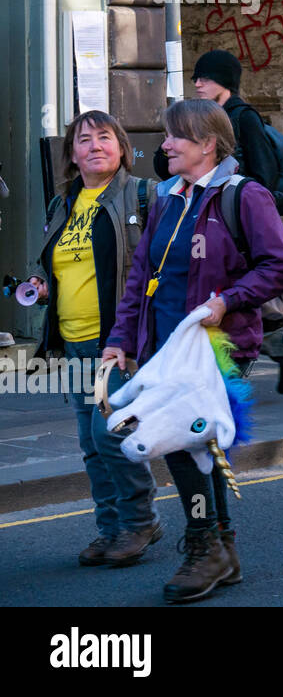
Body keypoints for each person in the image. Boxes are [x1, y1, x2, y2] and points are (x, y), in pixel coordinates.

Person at [103, 99, 283, 603]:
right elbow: (141, 277)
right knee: (199, 446)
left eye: (175, 138)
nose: (164, 145)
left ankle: (203, 545)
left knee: (186, 445)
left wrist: (227, 300)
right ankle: (220, 548)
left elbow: (279, 266)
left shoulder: (244, 196)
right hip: (162, 346)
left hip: (217, 345)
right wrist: (121, 339)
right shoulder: (167, 198)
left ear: (208, 144)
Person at [29, 111, 162, 568]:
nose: (94, 146)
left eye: (105, 138)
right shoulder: (61, 204)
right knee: (91, 444)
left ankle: (141, 520)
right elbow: (61, 268)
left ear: (122, 149)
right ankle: (111, 530)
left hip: (118, 343)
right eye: (83, 140)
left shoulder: (143, 196)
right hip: (74, 342)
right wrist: (43, 285)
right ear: (71, 155)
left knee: (113, 438)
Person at [156, 49, 283, 393]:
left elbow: (265, 173)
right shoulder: (194, 121)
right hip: (203, 225)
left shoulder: (244, 118)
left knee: (240, 302)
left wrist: (235, 201)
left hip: (233, 221)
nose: (197, 83)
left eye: (205, 78)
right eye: (196, 77)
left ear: (224, 82)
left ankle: (280, 347)